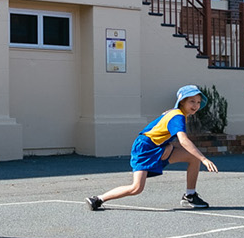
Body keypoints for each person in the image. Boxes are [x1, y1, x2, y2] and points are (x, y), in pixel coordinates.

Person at [86, 85, 221, 211]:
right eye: (192, 101)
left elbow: (165, 136)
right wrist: (204, 159)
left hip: (157, 146)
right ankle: (98, 199)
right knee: (136, 188)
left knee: (193, 158)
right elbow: (183, 140)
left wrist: (168, 145)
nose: (196, 105)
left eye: (198, 102)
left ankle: (190, 196)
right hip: (144, 148)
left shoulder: (177, 114)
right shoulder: (177, 116)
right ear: (182, 102)